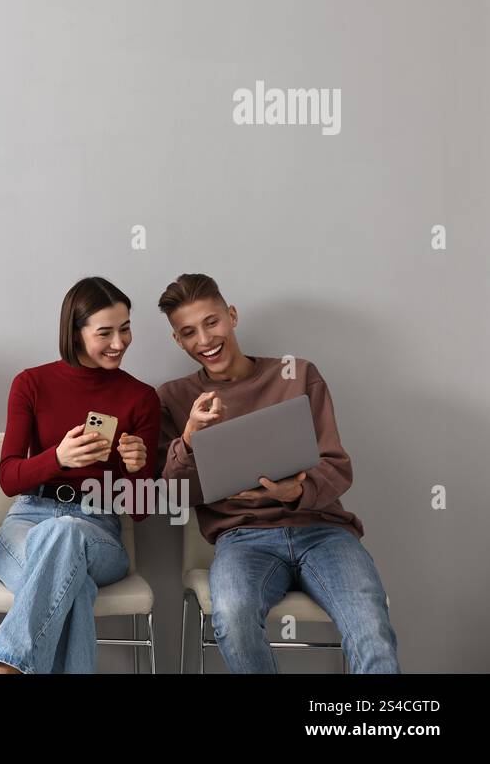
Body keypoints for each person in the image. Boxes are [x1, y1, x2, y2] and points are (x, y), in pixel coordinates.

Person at [156, 272, 400, 673]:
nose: (204, 340)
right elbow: (178, 496)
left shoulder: (297, 374)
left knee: (370, 624)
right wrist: (189, 436)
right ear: (177, 340)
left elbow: (337, 466)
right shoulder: (174, 398)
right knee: (233, 616)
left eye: (212, 322)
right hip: (242, 539)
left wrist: (295, 493)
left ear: (232, 316)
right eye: (188, 332)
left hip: (322, 530)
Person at [0, 277, 159, 674]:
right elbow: (10, 477)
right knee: (74, 589)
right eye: (105, 332)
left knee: (65, 533)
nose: (120, 342)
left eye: (126, 328)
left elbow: (142, 511)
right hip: (26, 523)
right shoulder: (31, 383)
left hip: (98, 529)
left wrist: (136, 471)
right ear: (75, 333)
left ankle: (8, 668)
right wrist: (58, 457)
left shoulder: (141, 397)